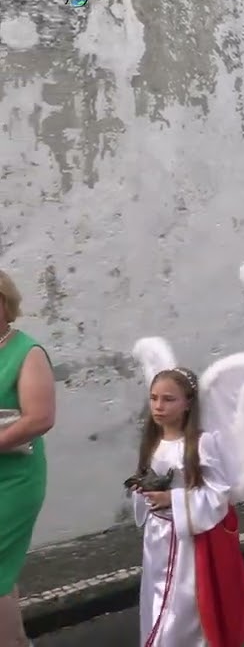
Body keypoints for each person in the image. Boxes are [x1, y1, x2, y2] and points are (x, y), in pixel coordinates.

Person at [132, 367, 244, 645]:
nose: (158, 406)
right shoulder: (152, 443)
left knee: (182, 608)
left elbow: (217, 493)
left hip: (188, 542)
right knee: (155, 601)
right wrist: (143, 491)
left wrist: (173, 499)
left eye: (168, 399)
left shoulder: (201, 443)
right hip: (157, 538)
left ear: (187, 403)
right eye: (154, 398)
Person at [0, 270, 55, 647]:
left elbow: (40, 418)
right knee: (3, 573)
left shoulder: (27, 352)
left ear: (5, 303)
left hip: (15, 480)